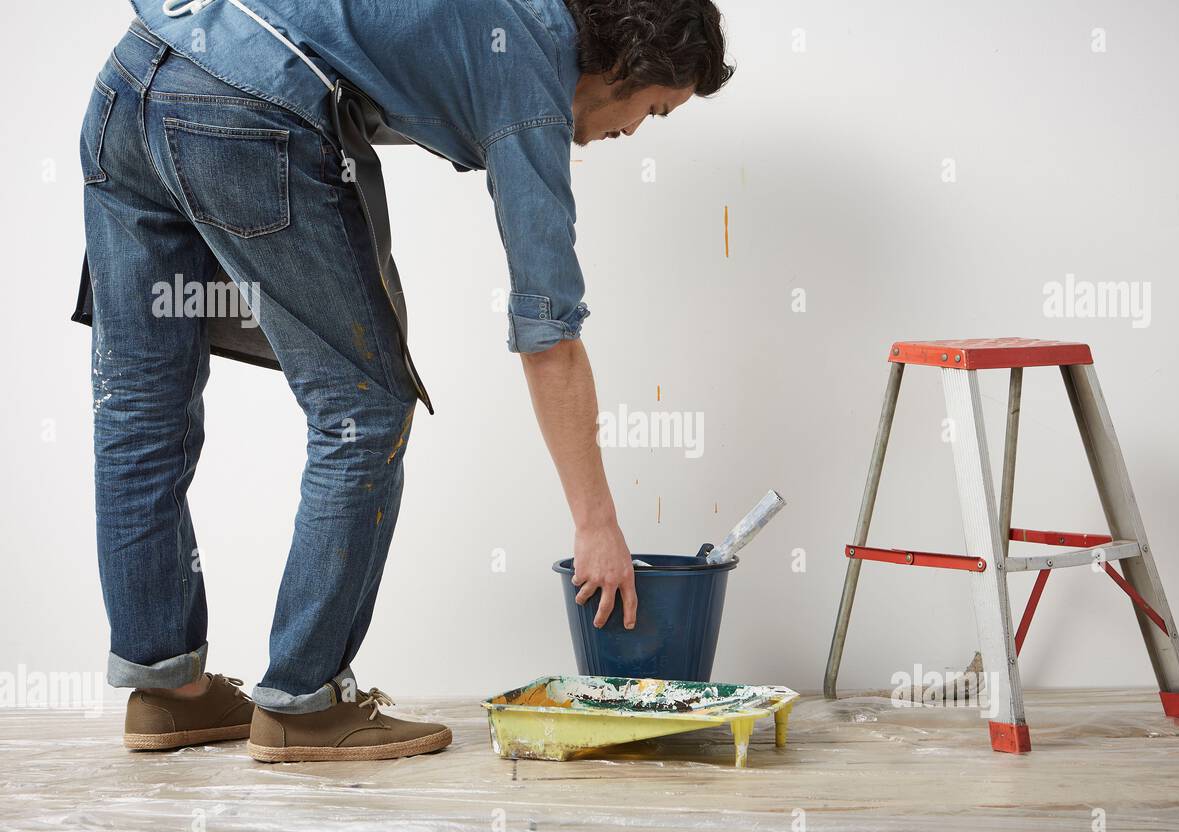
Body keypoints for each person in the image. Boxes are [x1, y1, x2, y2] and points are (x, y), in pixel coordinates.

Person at [78, 0, 733, 761]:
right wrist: (597, 525)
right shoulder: (532, 68)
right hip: (243, 102)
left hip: (135, 77)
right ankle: (304, 704)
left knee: (139, 404)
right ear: (625, 64)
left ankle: (167, 691)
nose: (634, 133)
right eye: (653, 110)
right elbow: (548, 331)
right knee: (363, 409)